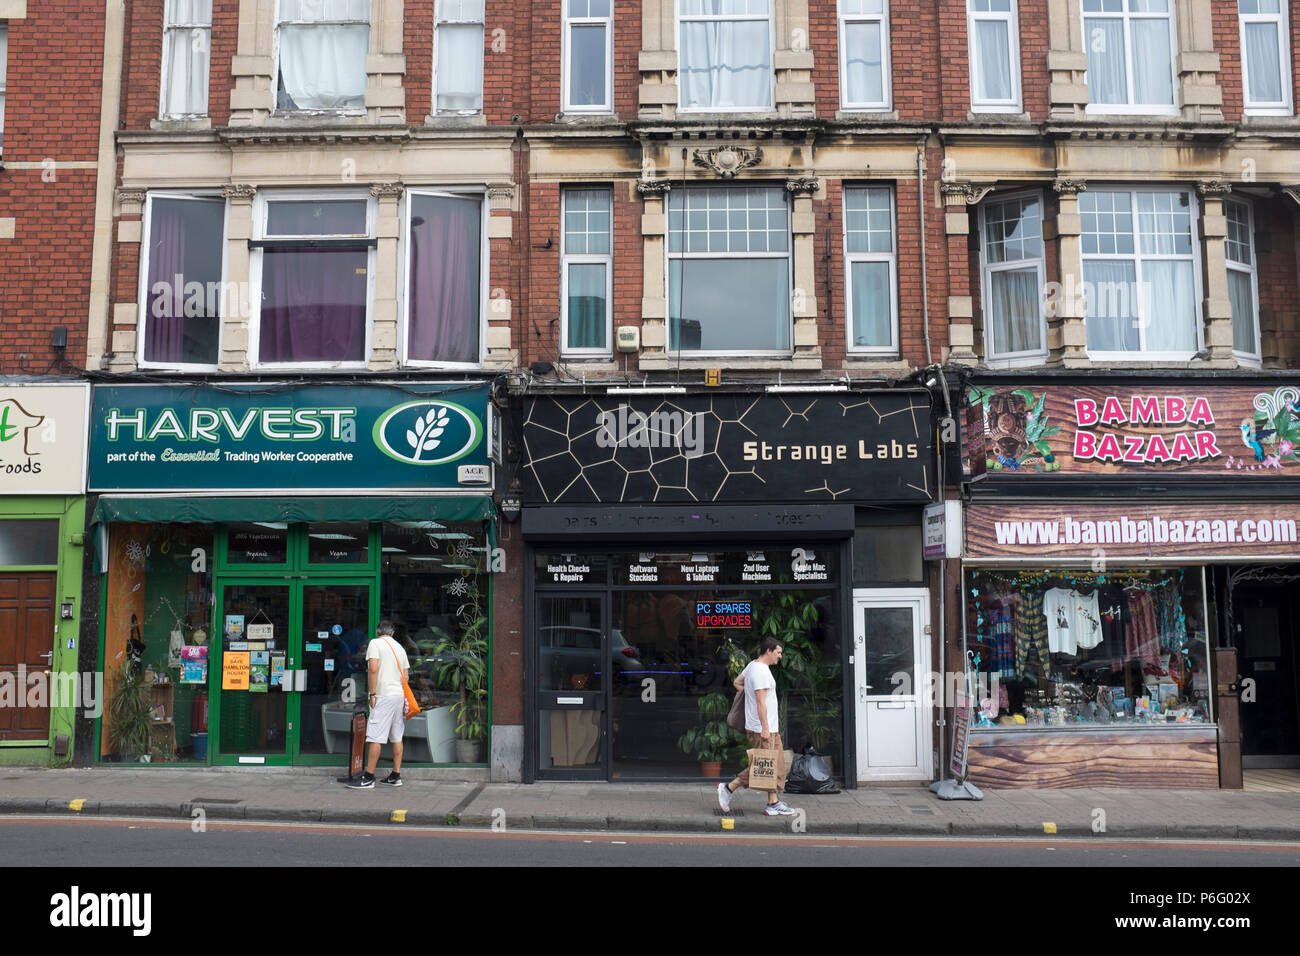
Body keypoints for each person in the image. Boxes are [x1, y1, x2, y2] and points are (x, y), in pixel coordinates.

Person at [716, 637, 797, 816]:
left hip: (767, 728)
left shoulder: (753, 665)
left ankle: (773, 803)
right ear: (768, 651)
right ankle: (728, 788)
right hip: (762, 729)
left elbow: (738, 682)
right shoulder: (760, 671)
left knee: (775, 765)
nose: (780, 656)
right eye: (778, 652)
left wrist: (749, 699)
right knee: (763, 766)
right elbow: (761, 702)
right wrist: (766, 728)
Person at [347, 620, 410, 789]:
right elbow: (406, 676)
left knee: (375, 736)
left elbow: (373, 668)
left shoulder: (375, 643)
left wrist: (373, 693)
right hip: (398, 695)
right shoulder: (400, 647)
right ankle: (395, 775)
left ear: (377, 631)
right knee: (397, 735)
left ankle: (368, 777)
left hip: (383, 695)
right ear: (393, 632)